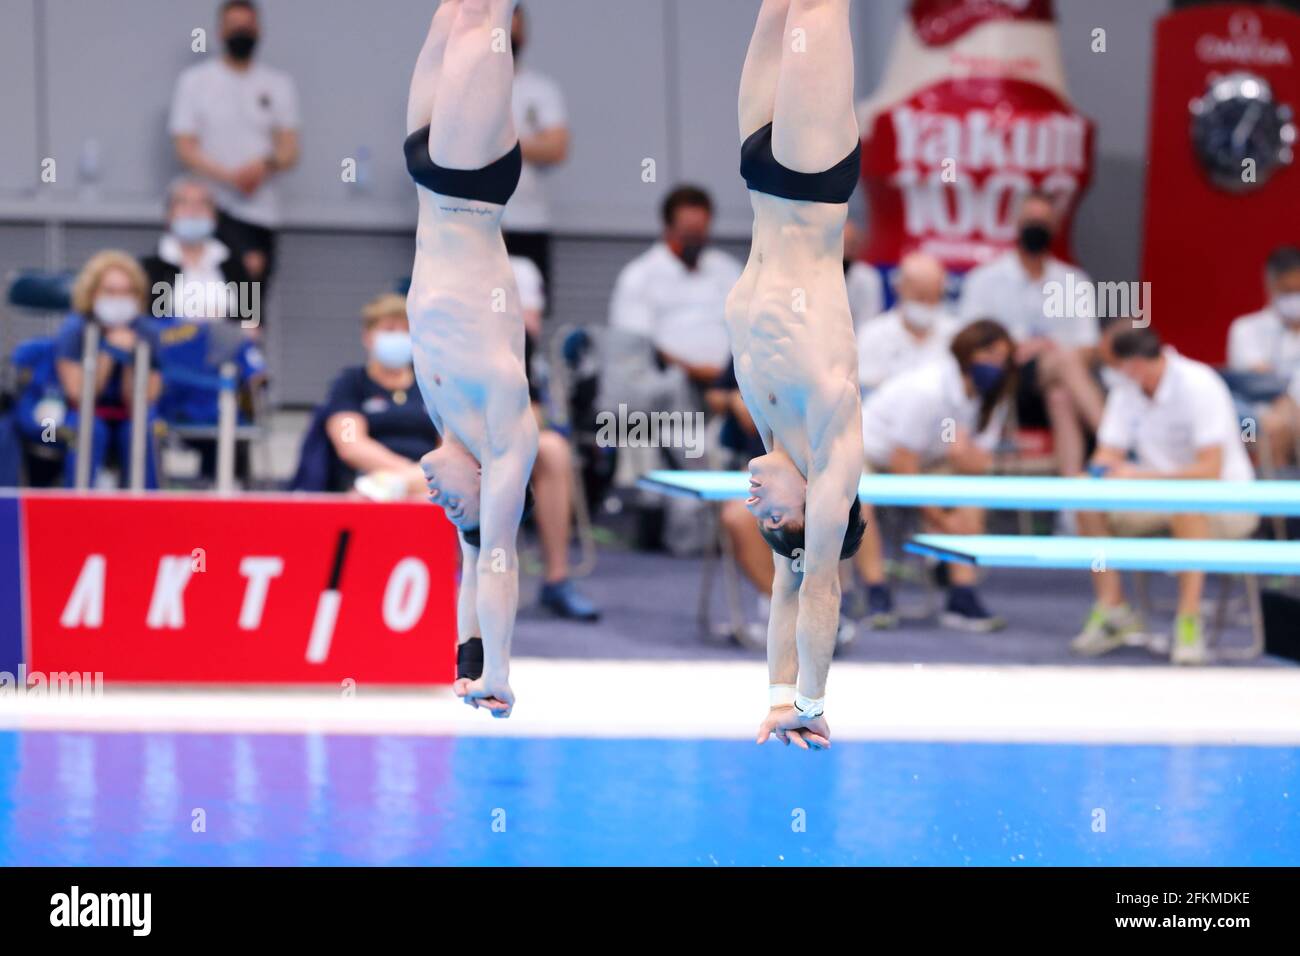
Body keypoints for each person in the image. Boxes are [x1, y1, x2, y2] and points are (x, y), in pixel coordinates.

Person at [729, 0, 866, 750]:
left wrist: (778, 697)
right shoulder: (831, 438)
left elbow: (786, 582)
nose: (755, 503)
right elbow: (816, 586)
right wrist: (813, 700)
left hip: (757, 176)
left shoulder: (774, 427)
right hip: (813, 180)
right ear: (813, 510)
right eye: (773, 517)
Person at [405, 0, 538, 719]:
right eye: (458, 505)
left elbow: (469, 555)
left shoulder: (447, 417)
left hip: (429, 182)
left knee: (457, 9)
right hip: (471, 185)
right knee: (487, 13)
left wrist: (469, 664)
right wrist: (502, 676)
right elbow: (493, 560)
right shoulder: (502, 428)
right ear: (488, 486)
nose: (438, 499)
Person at [1074, 326, 1258, 665]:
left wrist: (1139, 475)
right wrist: (1096, 472)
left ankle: (1189, 621)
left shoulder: (1199, 384)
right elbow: (1109, 451)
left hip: (1224, 503)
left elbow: (1209, 471)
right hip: (1155, 499)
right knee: (1086, 502)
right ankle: (1114, 610)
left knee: (1186, 504)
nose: (1110, 373)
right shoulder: (1125, 390)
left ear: (1133, 364)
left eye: (1112, 365)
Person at [855, 319, 1017, 631]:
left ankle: (962, 594)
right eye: (990, 355)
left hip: (926, 458)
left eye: (1003, 358)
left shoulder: (993, 396)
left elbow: (979, 463)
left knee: (970, 492)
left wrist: (962, 454)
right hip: (870, 454)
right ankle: (876, 593)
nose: (997, 365)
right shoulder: (927, 391)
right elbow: (902, 464)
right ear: (969, 353)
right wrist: (941, 518)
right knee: (862, 504)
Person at [959, 191, 1104, 478]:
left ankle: (1070, 502)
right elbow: (968, 343)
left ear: (1055, 228)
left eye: (1044, 222)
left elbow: (1089, 349)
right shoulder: (984, 279)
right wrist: (1014, 348)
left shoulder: (1074, 281)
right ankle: (1113, 441)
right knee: (1061, 359)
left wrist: (1045, 348)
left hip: (1054, 377)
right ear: (1016, 224)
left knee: (1060, 394)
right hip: (1003, 378)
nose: (1037, 228)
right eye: (1030, 221)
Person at [170, 0, 301, 294]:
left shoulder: (278, 84)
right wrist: (230, 176)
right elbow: (184, 146)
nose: (242, 33)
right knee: (195, 296)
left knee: (249, 307)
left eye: (248, 26)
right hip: (207, 212)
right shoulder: (195, 82)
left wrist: (262, 166)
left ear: (259, 30)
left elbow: (290, 149)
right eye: (235, 27)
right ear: (220, 31)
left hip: (259, 213)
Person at [510, 255, 600, 621]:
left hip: (501, 432)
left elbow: (533, 408)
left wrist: (505, 432)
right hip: (451, 436)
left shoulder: (516, 336)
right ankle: (449, 577)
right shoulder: (438, 325)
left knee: (554, 449)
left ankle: (556, 579)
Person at [609, 185, 743, 387]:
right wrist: (697, 373)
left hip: (733, 383)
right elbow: (636, 347)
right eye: (687, 234)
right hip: (669, 388)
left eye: (700, 233)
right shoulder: (640, 276)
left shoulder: (728, 269)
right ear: (668, 229)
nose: (694, 242)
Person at [56, 252, 162, 489]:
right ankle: (75, 509)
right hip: (83, 413)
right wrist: (109, 351)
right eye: (110, 291)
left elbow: (144, 400)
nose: (119, 299)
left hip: (130, 415)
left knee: (140, 430)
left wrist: (131, 357)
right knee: (90, 430)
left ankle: (148, 514)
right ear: (92, 294)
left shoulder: (147, 331)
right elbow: (79, 395)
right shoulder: (75, 329)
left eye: (127, 292)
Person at [323, 294, 440, 499]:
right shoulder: (351, 383)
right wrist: (406, 473)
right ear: (368, 337)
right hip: (369, 484)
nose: (399, 336)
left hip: (427, 487)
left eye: (405, 330)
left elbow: (449, 445)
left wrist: (407, 481)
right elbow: (350, 444)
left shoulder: (431, 385)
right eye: (389, 330)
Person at [501, 2, 570, 295]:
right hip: (472, 221)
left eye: (515, 26)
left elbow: (556, 148)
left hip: (528, 220)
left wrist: (496, 141)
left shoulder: (541, 90)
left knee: (527, 312)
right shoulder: (457, 85)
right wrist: (526, 142)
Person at [141, 177, 254, 325]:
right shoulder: (151, 268)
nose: (193, 211)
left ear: (215, 215)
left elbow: (252, 319)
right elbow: (147, 321)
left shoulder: (235, 266)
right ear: (169, 214)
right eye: (184, 203)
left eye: (203, 204)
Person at [1226, 245, 1300, 468]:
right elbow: (1258, 381)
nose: (1294, 297)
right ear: (1271, 285)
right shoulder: (1246, 328)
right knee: (1273, 426)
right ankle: (1274, 497)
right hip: (1254, 417)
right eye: (1287, 290)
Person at [856, 251, 957, 394]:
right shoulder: (872, 334)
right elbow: (866, 391)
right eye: (920, 297)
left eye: (933, 297)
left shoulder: (956, 335)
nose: (926, 304)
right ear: (899, 288)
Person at [843, 220, 883, 327]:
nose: (845, 250)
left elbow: (868, 322)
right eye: (842, 244)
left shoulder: (867, 277)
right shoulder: (815, 275)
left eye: (850, 244)